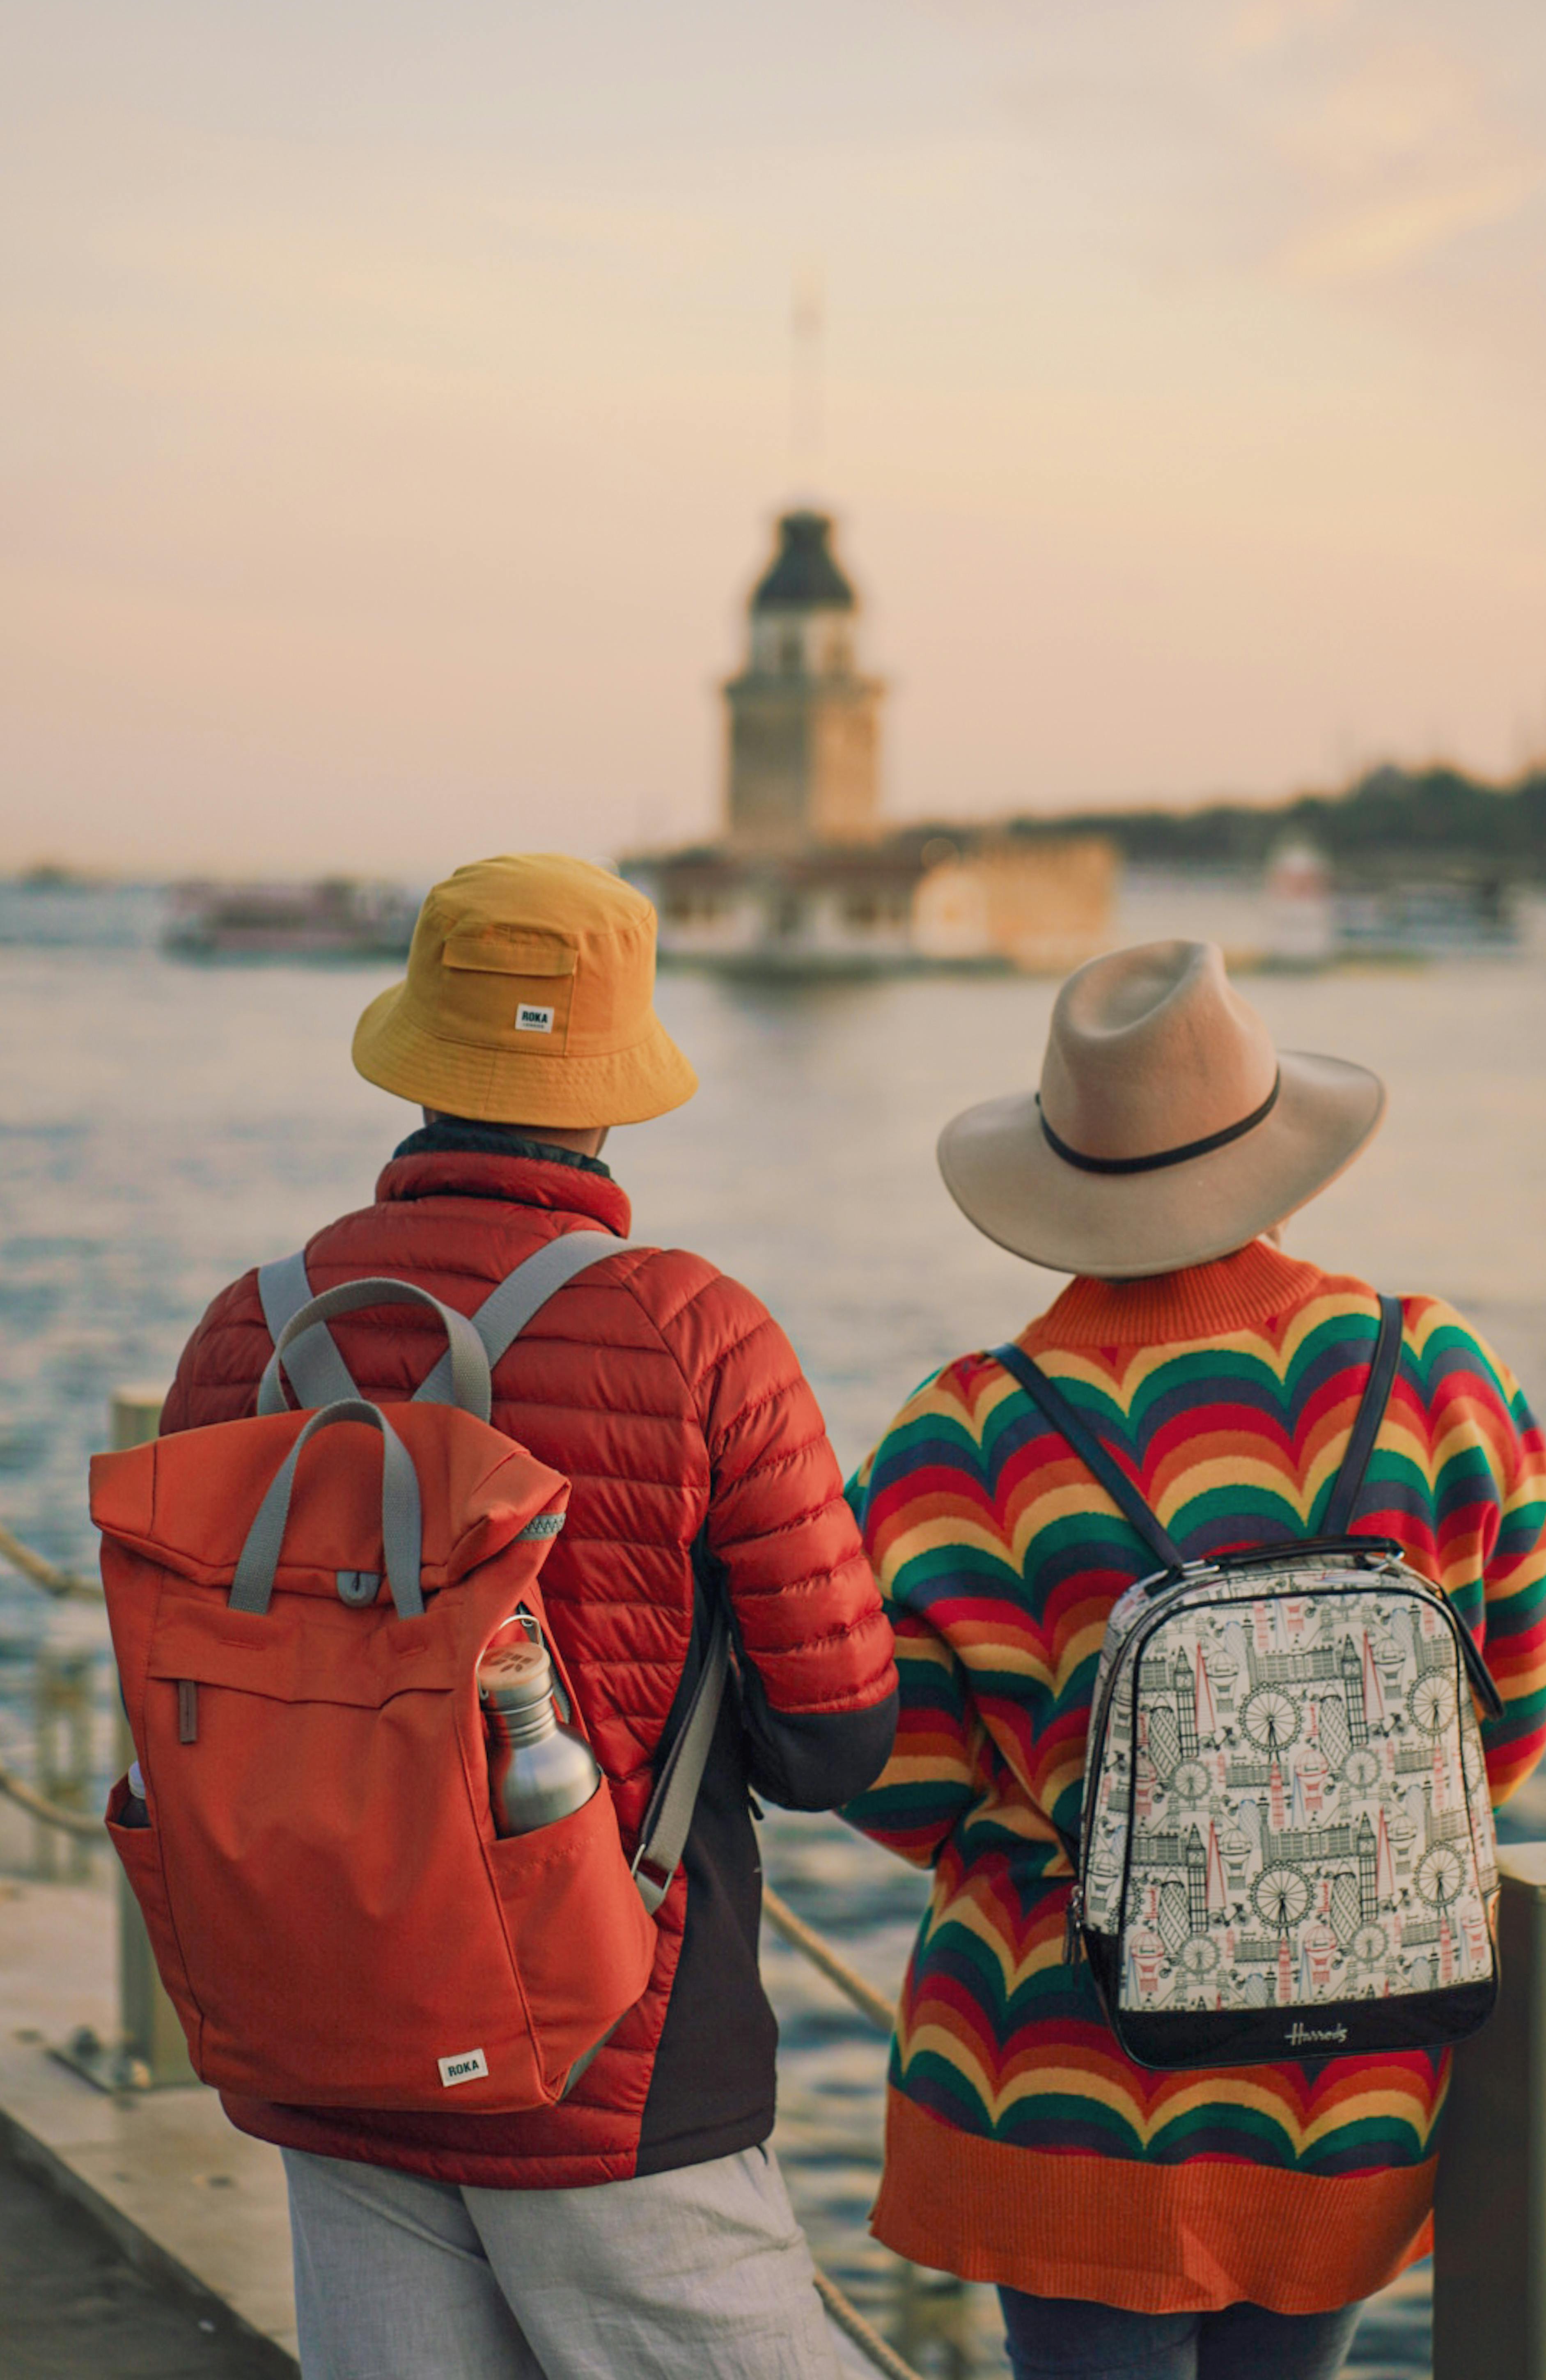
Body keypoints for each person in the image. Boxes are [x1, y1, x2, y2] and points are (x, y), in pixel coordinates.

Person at [161, 853, 896, 2380]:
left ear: (422, 1059)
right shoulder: (692, 1327)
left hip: (324, 2010)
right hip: (604, 2041)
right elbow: (834, 1742)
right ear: (609, 1086)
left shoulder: (250, 1324)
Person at [841, 939, 1546, 2380]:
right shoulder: (1438, 1373)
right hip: (1352, 2065)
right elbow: (1510, 1714)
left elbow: (891, 1776)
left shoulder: (960, 1433)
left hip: (1057, 2069)